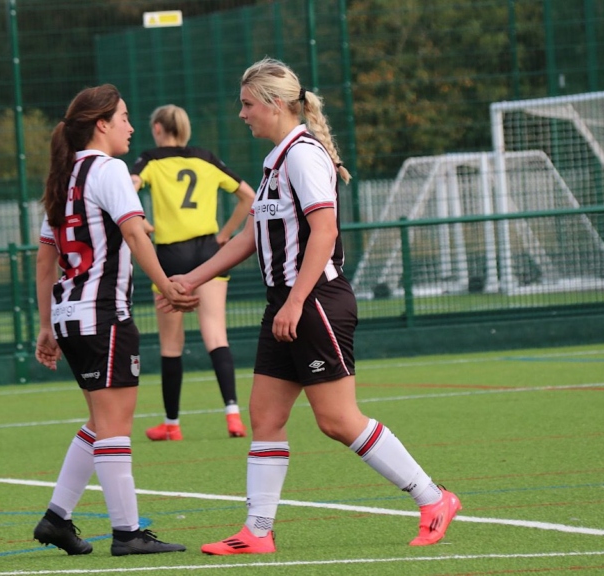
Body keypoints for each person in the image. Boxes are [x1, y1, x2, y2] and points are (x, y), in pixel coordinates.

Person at [161, 58, 461, 555]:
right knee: (266, 416)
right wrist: (189, 279)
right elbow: (251, 238)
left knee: (338, 420)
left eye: (248, 104)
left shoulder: (302, 156)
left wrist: (297, 302)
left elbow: (325, 230)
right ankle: (258, 531)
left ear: (275, 104)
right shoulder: (277, 159)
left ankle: (434, 499)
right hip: (288, 303)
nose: (242, 114)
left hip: (315, 301)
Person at [31, 84, 195, 557]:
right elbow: (133, 234)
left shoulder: (64, 177)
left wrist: (46, 326)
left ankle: (56, 519)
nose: (130, 125)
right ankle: (127, 532)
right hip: (103, 316)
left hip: (70, 314)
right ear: (101, 123)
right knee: (114, 425)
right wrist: (167, 286)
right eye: (123, 116)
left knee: (100, 420)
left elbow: (46, 262)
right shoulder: (109, 170)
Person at [129, 104, 256, 442]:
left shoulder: (152, 159)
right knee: (216, 333)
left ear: (157, 128)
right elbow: (249, 196)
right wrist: (226, 233)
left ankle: (172, 424)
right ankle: (233, 416)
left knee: (172, 343)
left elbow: (128, 185)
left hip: (172, 254)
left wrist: (140, 220)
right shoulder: (205, 158)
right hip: (208, 253)